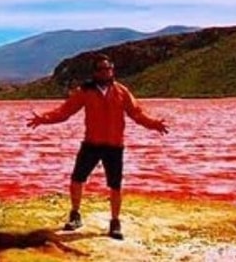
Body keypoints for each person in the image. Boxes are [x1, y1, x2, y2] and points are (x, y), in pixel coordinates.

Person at [27, 53, 169, 239]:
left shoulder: (121, 91)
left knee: (115, 185)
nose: (106, 72)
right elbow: (64, 112)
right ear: (95, 72)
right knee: (77, 178)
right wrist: (44, 119)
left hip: (114, 145)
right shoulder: (85, 91)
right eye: (101, 69)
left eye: (108, 68)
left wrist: (154, 124)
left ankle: (115, 222)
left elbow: (136, 113)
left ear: (112, 70)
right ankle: (75, 214)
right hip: (91, 144)